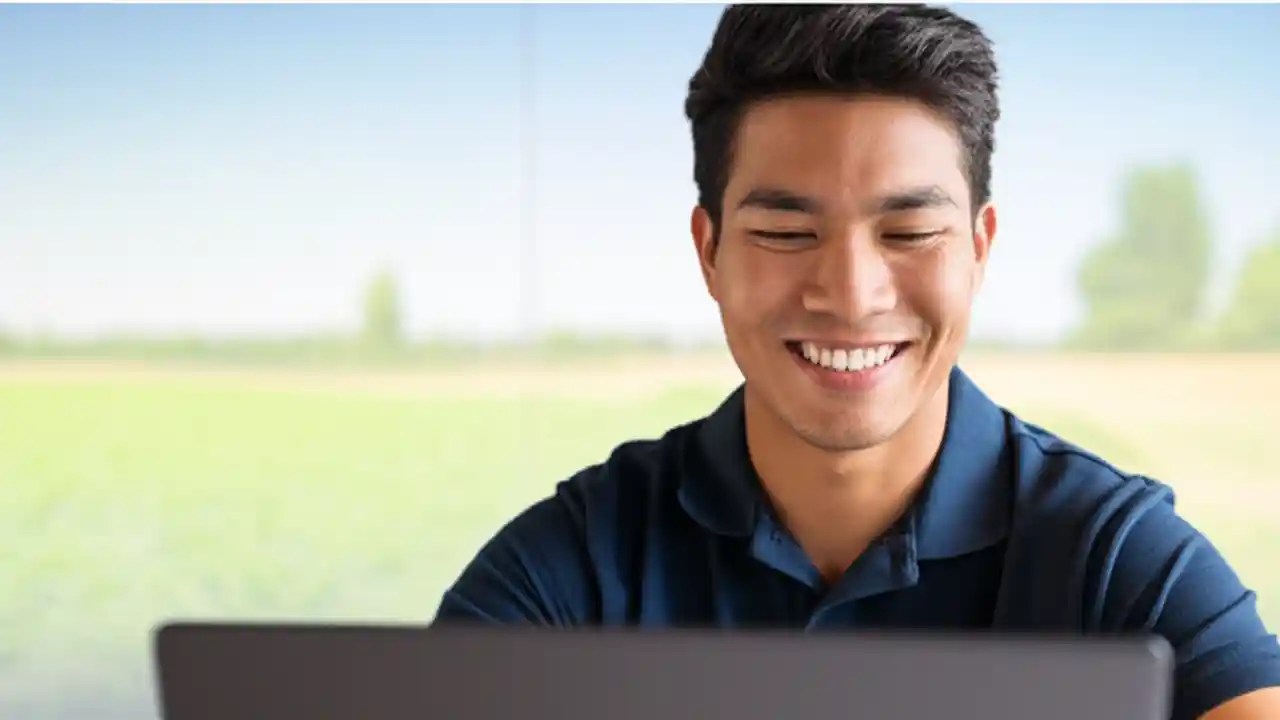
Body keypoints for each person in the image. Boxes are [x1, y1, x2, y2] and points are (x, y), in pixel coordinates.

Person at [434, 5, 1280, 719]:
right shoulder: (577, 568)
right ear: (710, 252)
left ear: (979, 250)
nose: (850, 291)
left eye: (908, 233)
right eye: (785, 233)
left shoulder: (1115, 561)